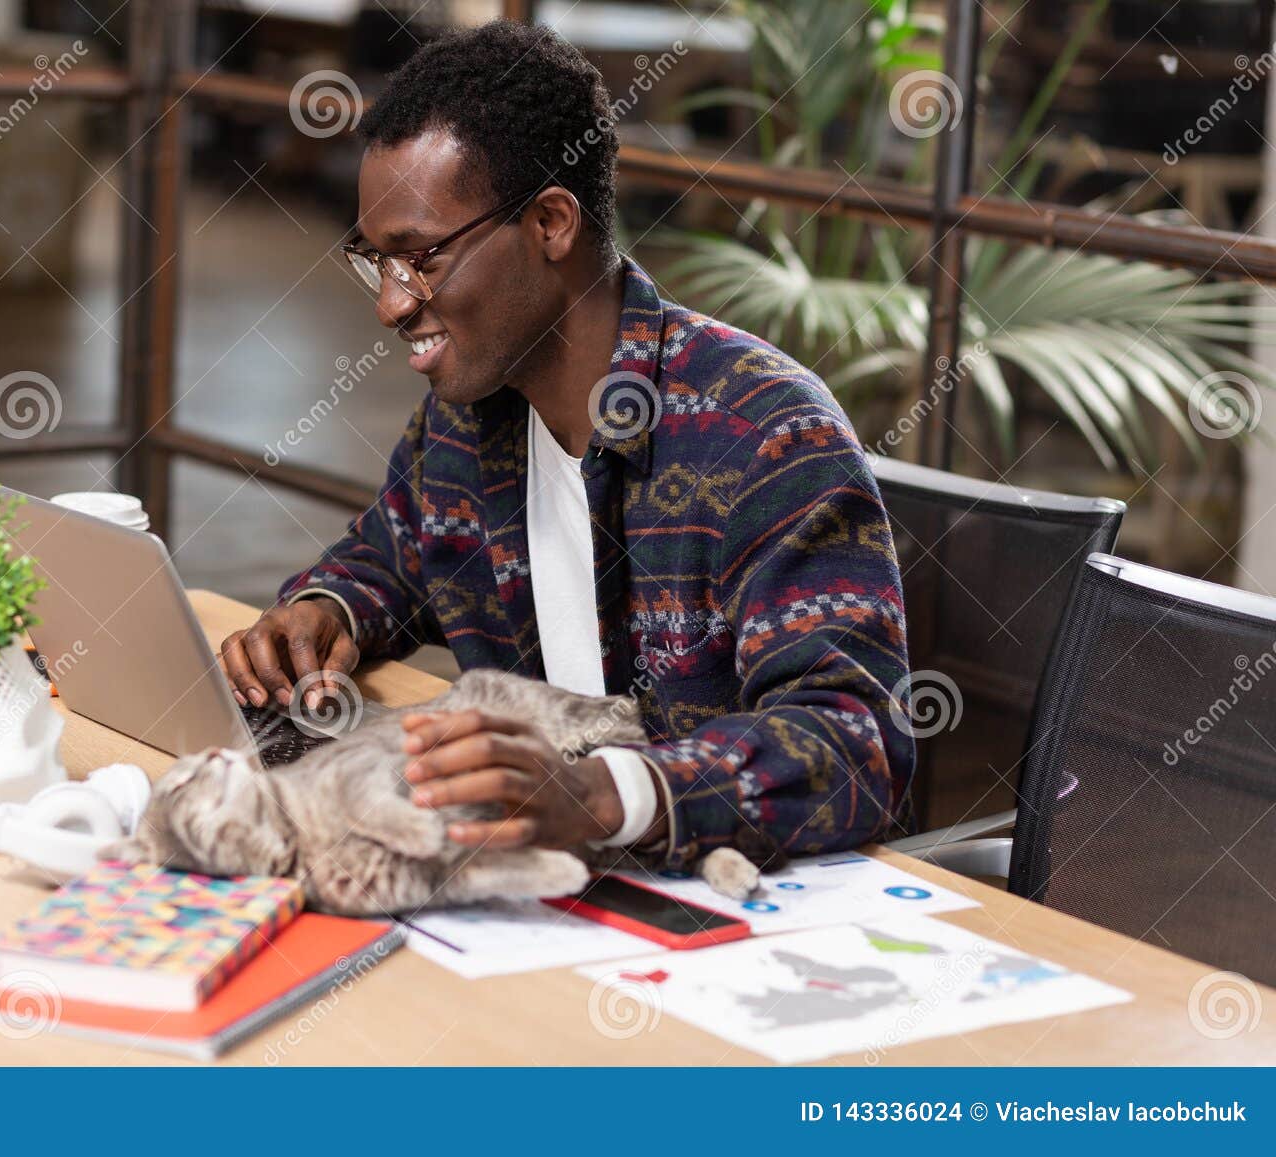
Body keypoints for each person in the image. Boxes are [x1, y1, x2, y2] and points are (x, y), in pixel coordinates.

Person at [220, 20, 914, 871]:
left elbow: (857, 741)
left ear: (550, 222)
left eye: (421, 259)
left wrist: (605, 794)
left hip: (718, 903)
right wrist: (325, 613)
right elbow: (394, 558)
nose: (392, 305)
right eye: (378, 262)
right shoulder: (466, 424)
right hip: (540, 890)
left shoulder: (764, 434)